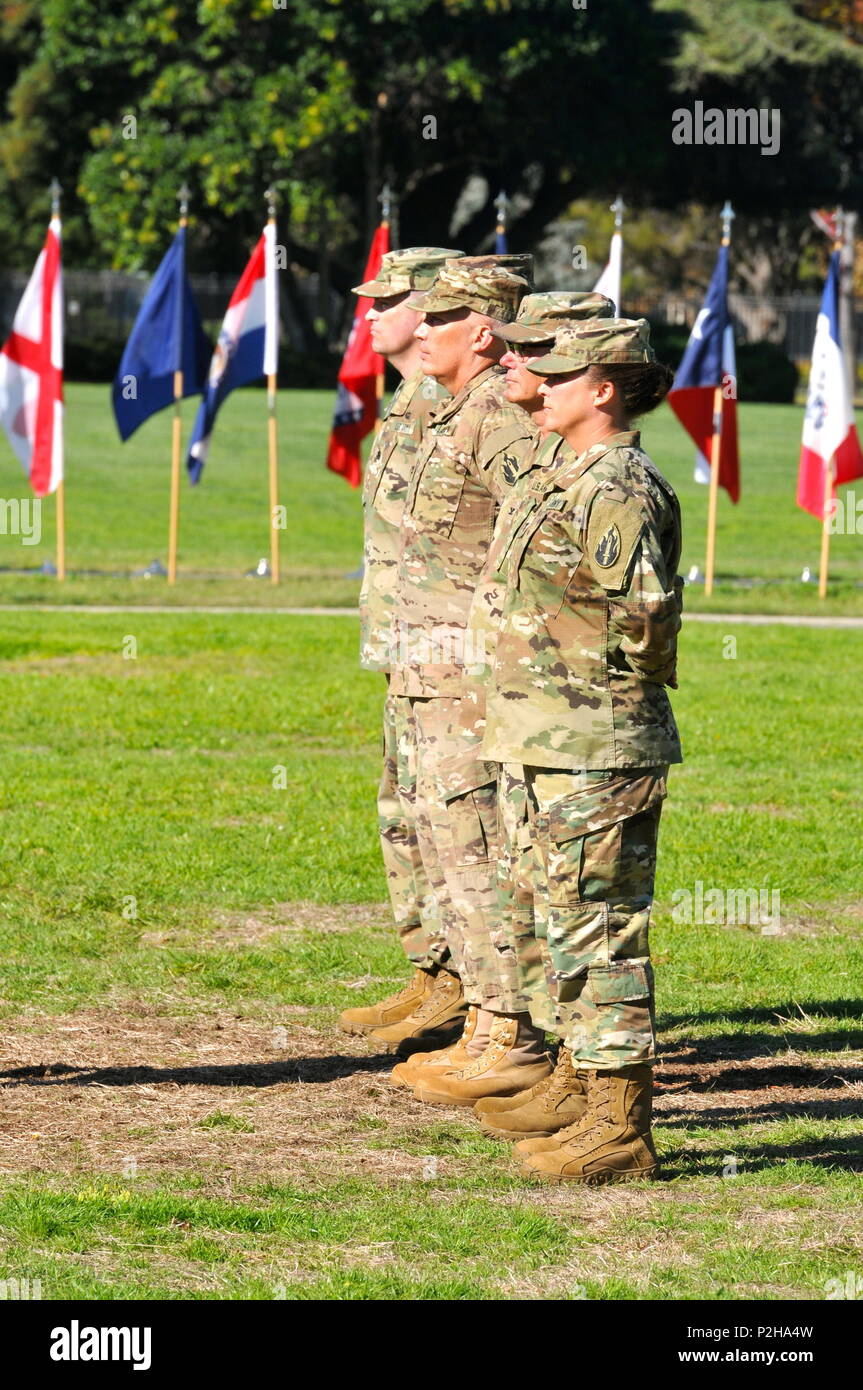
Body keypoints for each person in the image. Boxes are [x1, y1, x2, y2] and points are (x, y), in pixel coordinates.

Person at [476, 318, 683, 1182]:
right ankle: (577, 1081)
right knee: (561, 918)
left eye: (559, 372)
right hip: (543, 737)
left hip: (593, 741)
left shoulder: (617, 483)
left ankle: (620, 1126)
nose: (537, 380)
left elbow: (644, 616)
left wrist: (593, 694)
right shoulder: (562, 471)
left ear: (604, 389)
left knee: (599, 928)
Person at [378, 256, 552, 1104]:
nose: (416, 327)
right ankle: (485, 1019)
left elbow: (534, 544)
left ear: (480, 331)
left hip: (469, 674)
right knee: (451, 846)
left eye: (437, 317)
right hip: (424, 664)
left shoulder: (499, 422)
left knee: (481, 848)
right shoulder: (452, 410)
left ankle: (510, 1031)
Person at [338, 248, 465, 1041]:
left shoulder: (470, 408)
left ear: (425, 311)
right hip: (405, 647)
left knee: (457, 826)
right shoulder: (409, 402)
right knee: (406, 816)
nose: (368, 314)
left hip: (457, 658)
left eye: (384, 301)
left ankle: (475, 995)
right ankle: (434, 972)